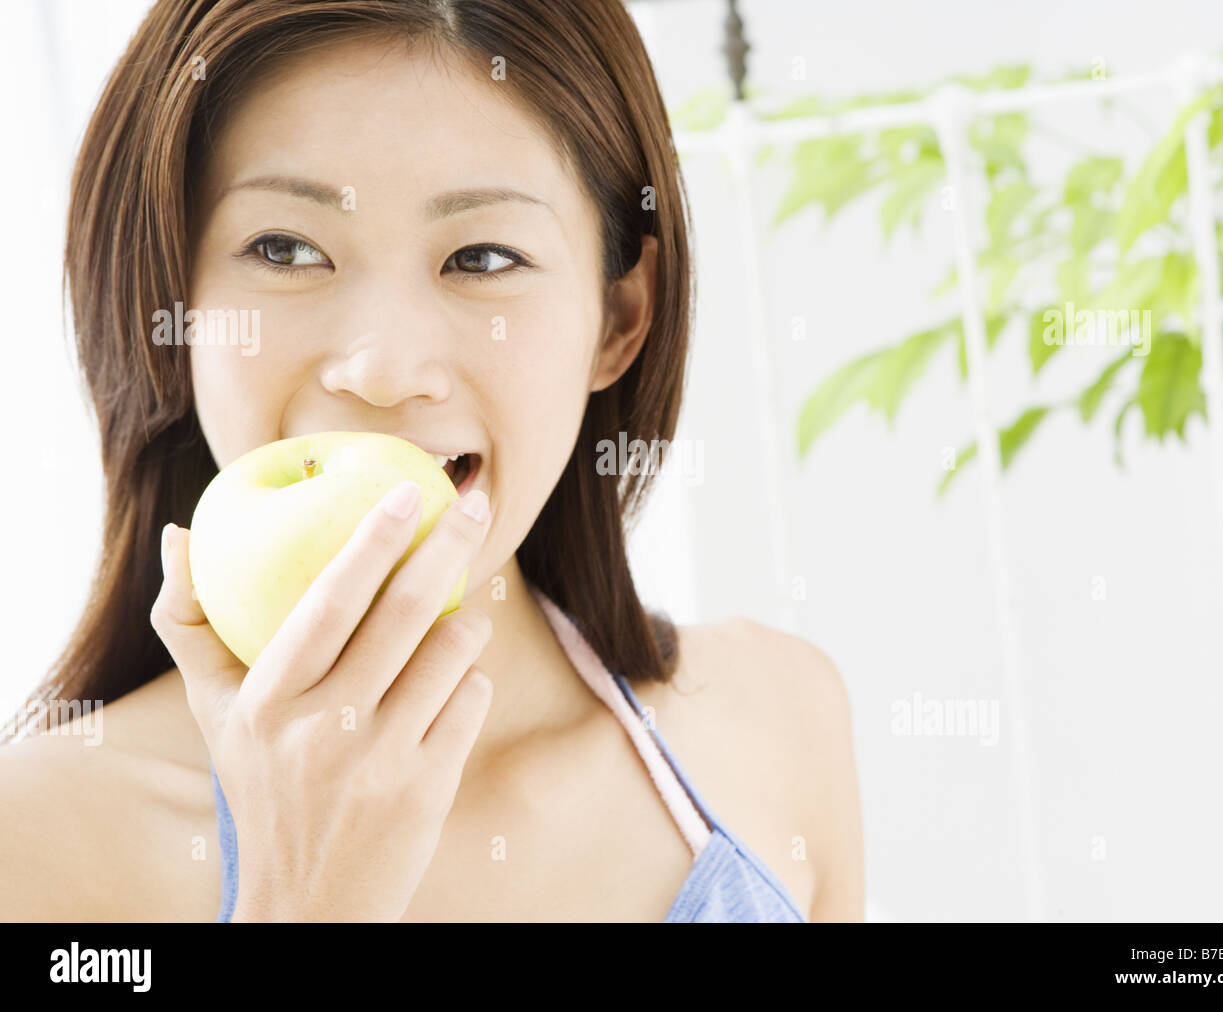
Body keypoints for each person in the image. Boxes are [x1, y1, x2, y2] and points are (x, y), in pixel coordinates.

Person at [0, 0, 863, 922]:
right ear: (174, 305)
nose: (382, 370)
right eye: (285, 248)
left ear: (618, 320)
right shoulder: (40, 843)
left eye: (482, 257)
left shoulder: (779, 717)